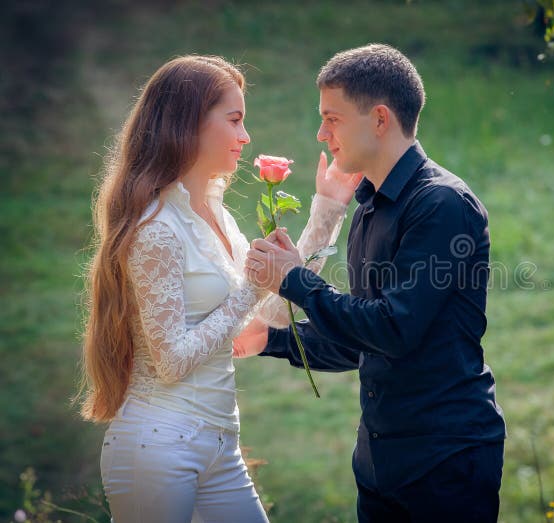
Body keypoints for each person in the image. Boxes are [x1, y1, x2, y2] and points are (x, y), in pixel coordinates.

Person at [77, 54, 360, 522]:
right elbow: (171, 361)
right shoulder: (157, 229)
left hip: (219, 446)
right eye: (234, 120)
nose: (245, 137)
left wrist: (328, 208)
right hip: (158, 447)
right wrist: (250, 288)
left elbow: (267, 315)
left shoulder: (218, 215)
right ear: (188, 123)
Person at [243, 44, 507, 522]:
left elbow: (393, 328)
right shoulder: (368, 207)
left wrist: (295, 281)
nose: (321, 133)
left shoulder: (442, 205)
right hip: (379, 465)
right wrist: (273, 340)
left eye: (332, 118)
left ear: (380, 119)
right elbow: (361, 342)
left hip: (444, 466)